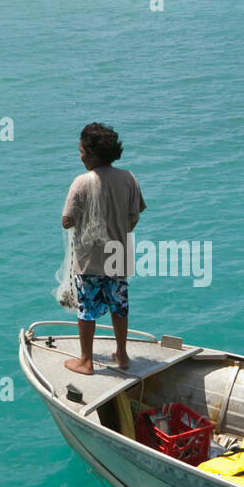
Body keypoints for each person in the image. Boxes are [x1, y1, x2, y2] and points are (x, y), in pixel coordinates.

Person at [61, 123, 145, 375]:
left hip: (89, 260)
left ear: (93, 155)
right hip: (117, 257)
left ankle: (86, 361)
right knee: (119, 305)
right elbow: (134, 217)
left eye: (82, 151)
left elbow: (67, 221)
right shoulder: (128, 178)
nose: (80, 155)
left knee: (86, 308)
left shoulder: (81, 182)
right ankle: (122, 354)